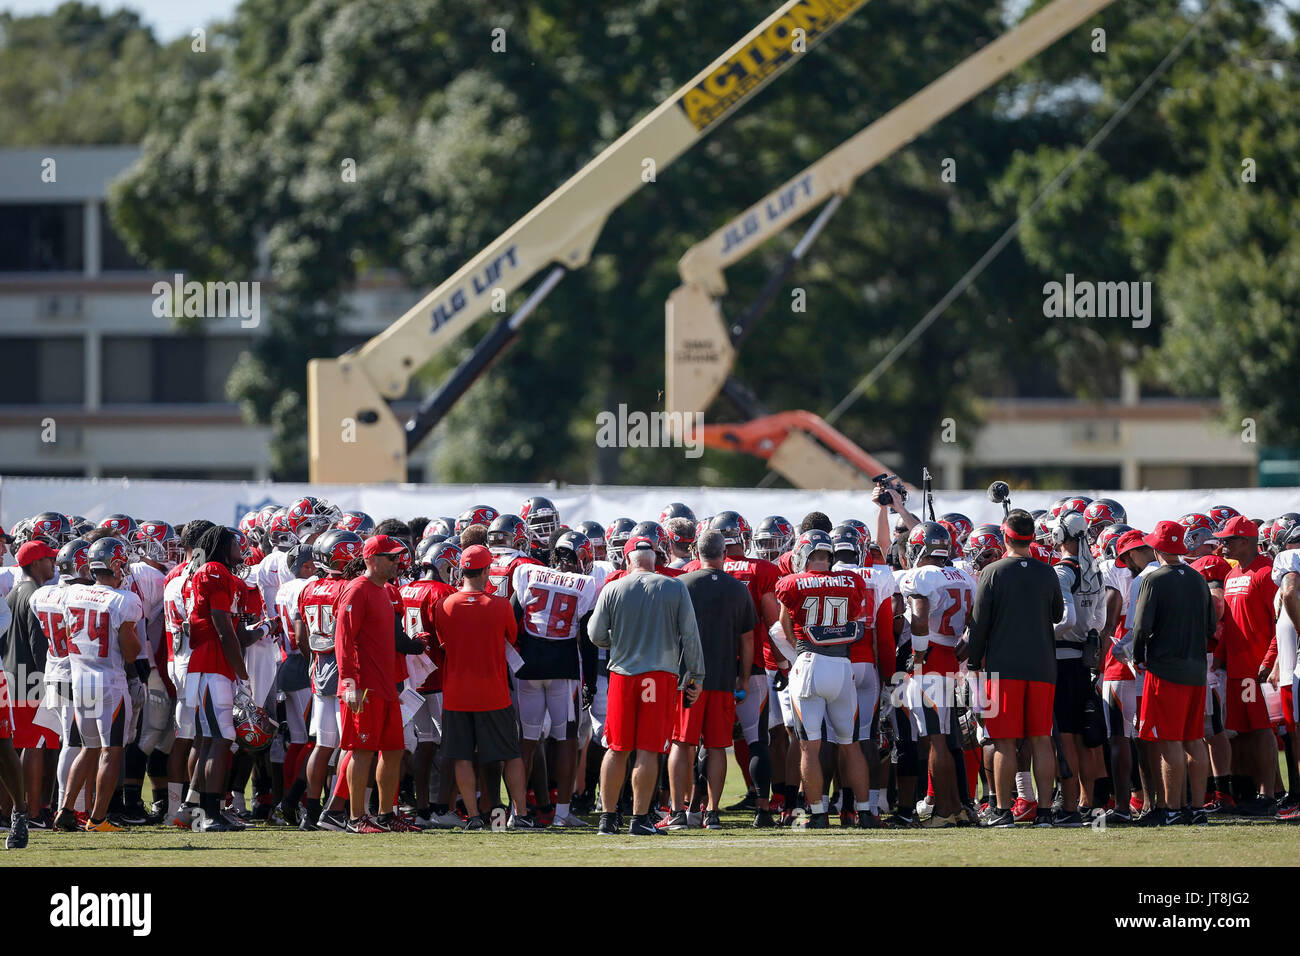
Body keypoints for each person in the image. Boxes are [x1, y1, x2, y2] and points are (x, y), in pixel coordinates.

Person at [588, 535, 705, 836]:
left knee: (616, 747)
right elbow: (690, 637)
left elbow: (595, 634)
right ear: (655, 558)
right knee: (648, 750)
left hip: (622, 675)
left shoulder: (613, 588)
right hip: (660, 676)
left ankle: (607, 818)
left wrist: (619, 643)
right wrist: (695, 676)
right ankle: (639, 819)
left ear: (627, 560)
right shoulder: (674, 587)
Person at [966, 509, 1063, 828]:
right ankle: (1046, 811)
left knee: (1004, 740)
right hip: (1042, 666)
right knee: (1041, 740)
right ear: (1031, 537)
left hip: (1003, 667)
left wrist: (972, 661)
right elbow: (1056, 613)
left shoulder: (992, 572)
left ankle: (1003, 810)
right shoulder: (1047, 572)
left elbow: (978, 625)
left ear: (1005, 537)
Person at [775, 530, 875, 829]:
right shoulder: (851, 580)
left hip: (809, 664)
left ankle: (819, 814)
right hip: (843, 666)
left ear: (803, 555)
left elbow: (783, 625)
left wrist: (799, 651)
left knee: (810, 746)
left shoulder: (792, 582)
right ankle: (865, 813)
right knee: (851, 745)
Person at [433, 544, 533, 830]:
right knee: (510, 754)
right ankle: (521, 814)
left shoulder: (445, 605)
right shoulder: (500, 606)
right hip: (494, 693)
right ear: (487, 571)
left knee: (462, 756)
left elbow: (443, 642)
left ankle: (475, 817)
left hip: (456, 694)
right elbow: (511, 639)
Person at [665, 530, 755, 830]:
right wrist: (742, 678)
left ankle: (677, 811)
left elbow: (669, 634)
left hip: (688, 678)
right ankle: (712, 812)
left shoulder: (681, 584)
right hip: (722, 677)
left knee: (682, 743)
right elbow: (747, 641)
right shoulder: (739, 589)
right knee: (717, 746)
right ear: (724, 554)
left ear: (696, 552)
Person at [1129, 520, 1216, 826]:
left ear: (1157, 547)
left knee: (1169, 741)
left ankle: (1173, 808)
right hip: (1196, 669)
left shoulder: (1156, 579)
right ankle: (1196, 808)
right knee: (1194, 740)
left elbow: (1141, 627)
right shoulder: (1197, 579)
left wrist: (1138, 657)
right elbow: (1210, 628)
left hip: (1165, 669)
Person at [58, 537, 142, 833]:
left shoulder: (74, 593)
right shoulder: (124, 601)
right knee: (111, 751)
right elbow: (131, 653)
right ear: (116, 564)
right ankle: (97, 818)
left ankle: (66, 809)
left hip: (80, 681)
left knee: (87, 748)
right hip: (110, 683)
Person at [334, 534, 407, 833]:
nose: (396, 562)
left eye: (397, 557)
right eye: (391, 557)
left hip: (385, 684)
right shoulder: (357, 590)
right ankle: (355, 818)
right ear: (371, 559)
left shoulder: (385, 590)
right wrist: (348, 681)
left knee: (393, 750)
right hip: (363, 686)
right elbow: (343, 639)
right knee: (361, 751)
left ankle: (386, 814)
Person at [1215, 515, 1278, 813]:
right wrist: (1219, 658)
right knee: (1239, 731)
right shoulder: (1231, 575)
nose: (1222, 545)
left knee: (1261, 730)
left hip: (1258, 670)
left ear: (1245, 541)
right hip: (1236, 670)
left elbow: (1282, 622)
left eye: (1227, 540)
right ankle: (1246, 793)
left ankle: (1268, 796)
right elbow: (1230, 623)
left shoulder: (1267, 573)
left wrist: (1269, 660)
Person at [2, 539, 60, 829]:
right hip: (32, 680)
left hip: (12, 678)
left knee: (14, 747)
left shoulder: (13, 593)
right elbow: (40, 646)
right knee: (34, 744)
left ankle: (9, 812)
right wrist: (49, 681)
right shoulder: (35, 594)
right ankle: (33, 813)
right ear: (35, 563)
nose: (54, 563)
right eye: (49, 558)